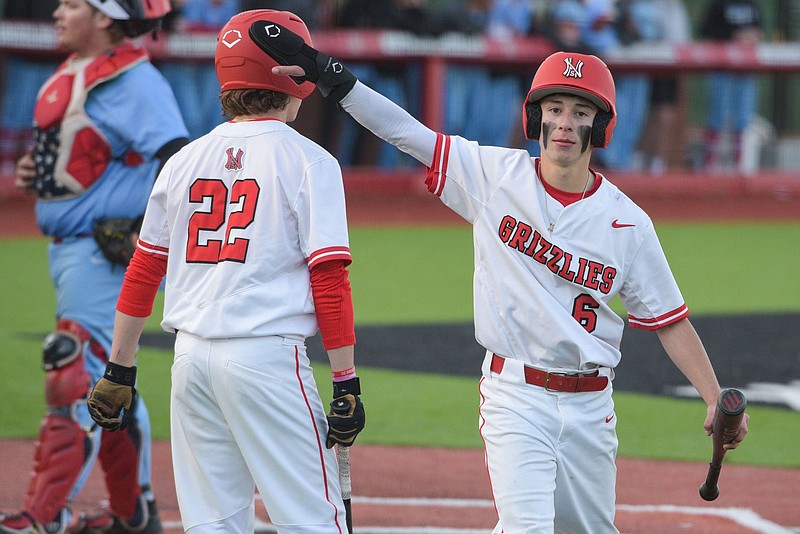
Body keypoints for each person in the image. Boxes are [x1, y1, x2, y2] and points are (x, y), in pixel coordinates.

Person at [254, 25, 750, 532]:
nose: (564, 124)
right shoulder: (494, 176)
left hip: (592, 405)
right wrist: (334, 78)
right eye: (554, 109)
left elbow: (668, 318)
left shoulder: (628, 223)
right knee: (526, 528)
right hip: (516, 395)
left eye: (581, 113)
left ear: (601, 126)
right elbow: (405, 132)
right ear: (535, 117)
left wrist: (713, 396)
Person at [86, 9, 365, 533]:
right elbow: (329, 280)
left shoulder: (184, 160)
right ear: (291, 75)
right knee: (314, 522)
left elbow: (144, 270)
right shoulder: (310, 160)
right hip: (267, 360)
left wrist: (119, 369)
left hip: (190, 362)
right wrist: (346, 380)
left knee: (213, 523)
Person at [0, 1, 189, 533]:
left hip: (104, 252)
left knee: (74, 369)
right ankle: (133, 512)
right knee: (106, 375)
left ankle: (44, 515)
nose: (58, 12)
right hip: (71, 249)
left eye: (72, 4)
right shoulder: (77, 70)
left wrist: (145, 229)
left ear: (105, 17)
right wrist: (38, 172)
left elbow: (178, 159)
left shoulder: (134, 79)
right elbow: (86, 154)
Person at [699, 0, 762, 171]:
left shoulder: (751, 4)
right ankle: (710, 164)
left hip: (745, 69)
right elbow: (705, 29)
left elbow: (758, 27)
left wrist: (753, 36)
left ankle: (739, 164)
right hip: (722, 68)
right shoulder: (718, 4)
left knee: (743, 118)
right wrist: (733, 35)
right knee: (717, 115)